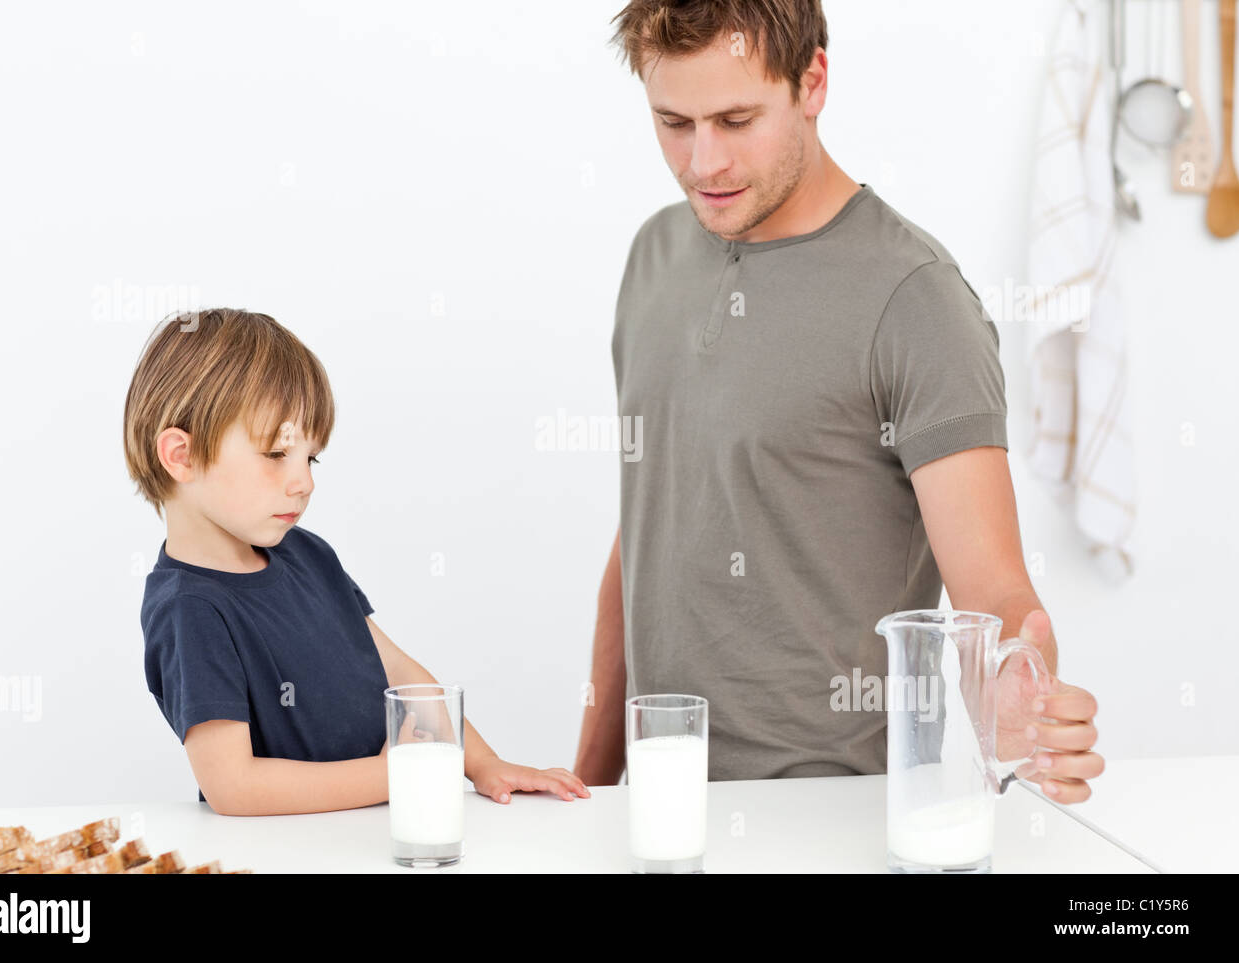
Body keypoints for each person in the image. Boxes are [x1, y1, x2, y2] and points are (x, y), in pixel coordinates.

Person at [573, 0, 1104, 804]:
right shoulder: (654, 254)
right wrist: (589, 785)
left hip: (831, 820)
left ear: (813, 80)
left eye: (737, 118)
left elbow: (993, 594)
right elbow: (646, 529)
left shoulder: (914, 299)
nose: (702, 162)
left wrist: (1012, 693)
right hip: (661, 810)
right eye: (673, 121)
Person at [124, 308, 589, 815]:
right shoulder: (190, 610)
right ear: (182, 456)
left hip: (380, 832)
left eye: (311, 458)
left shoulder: (309, 554)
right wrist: (394, 773)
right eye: (277, 455)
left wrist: (478, 762)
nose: (304, 482)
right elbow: (234, 788)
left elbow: (401, 671)